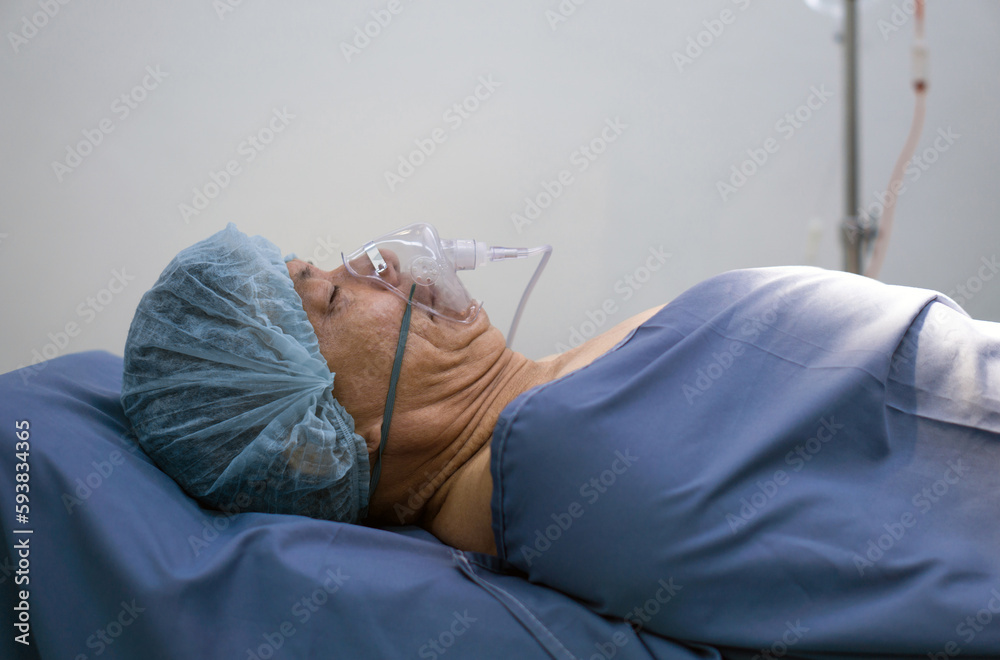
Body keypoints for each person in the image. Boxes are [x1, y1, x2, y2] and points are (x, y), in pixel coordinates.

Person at [123, 223, 1000, 658]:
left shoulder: (548, 428)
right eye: (335, 299)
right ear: (327, 440)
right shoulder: (567, 461)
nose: (375, 264)